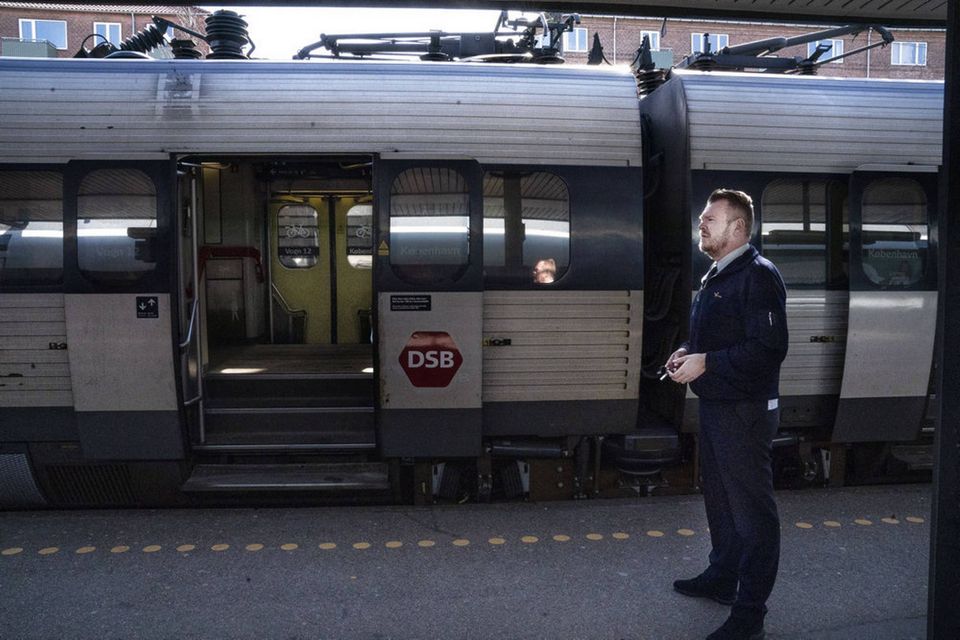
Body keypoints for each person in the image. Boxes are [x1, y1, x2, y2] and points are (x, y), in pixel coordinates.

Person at [665, 189, 788, 640]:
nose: (702, 224)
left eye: (710, 218)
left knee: (752, 513)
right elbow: (713, 337)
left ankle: (749, 612)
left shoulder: (758, 275)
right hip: (718, 406)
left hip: (745, 412)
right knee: (720, 502)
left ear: (737, 227)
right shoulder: (717, 274)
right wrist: (686, 353)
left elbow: (770, 347)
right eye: (702, 217)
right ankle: (722, 577)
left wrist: (708, 363)